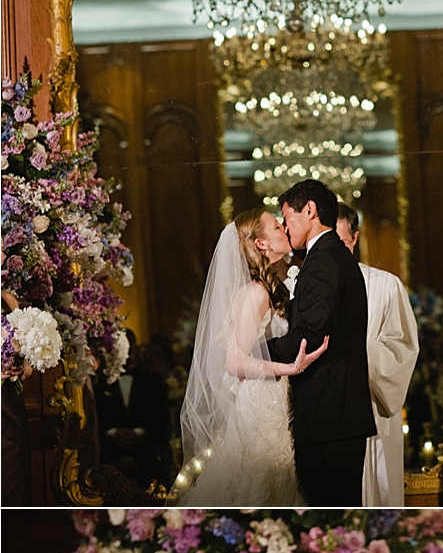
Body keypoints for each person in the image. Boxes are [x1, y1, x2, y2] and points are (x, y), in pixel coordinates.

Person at [178, 209, 328, 506]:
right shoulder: (256, 293)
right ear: (261, 244)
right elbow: (234, 362)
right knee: (258, 482)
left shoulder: (270, 285)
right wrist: (291, 367)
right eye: (276, 226)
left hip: (273, 395)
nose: (283, 227)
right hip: (260, 402)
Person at [267, 180, 377, 506]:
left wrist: (256, 353)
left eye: (287, 217)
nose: (285, 226)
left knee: (330, 506)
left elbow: (309, 335)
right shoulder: (333, 255)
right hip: (337, 413)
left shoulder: (324, 259)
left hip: (328, 413)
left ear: (310, 210)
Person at [335, 203, 418, 506]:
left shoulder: (386, 285)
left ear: (354, 238)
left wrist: (356, 348)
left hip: (371, 405)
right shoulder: (301, 285)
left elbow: (402, 348)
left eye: (340, 242)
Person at [95, 329, 171, 487]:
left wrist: (136, 433)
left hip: (146, 448)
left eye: (131, 345)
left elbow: (161, 416)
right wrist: (115, 432)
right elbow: (96, 416)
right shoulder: (99, 382)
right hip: (110, 450)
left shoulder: (152, 380)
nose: (127, 350)